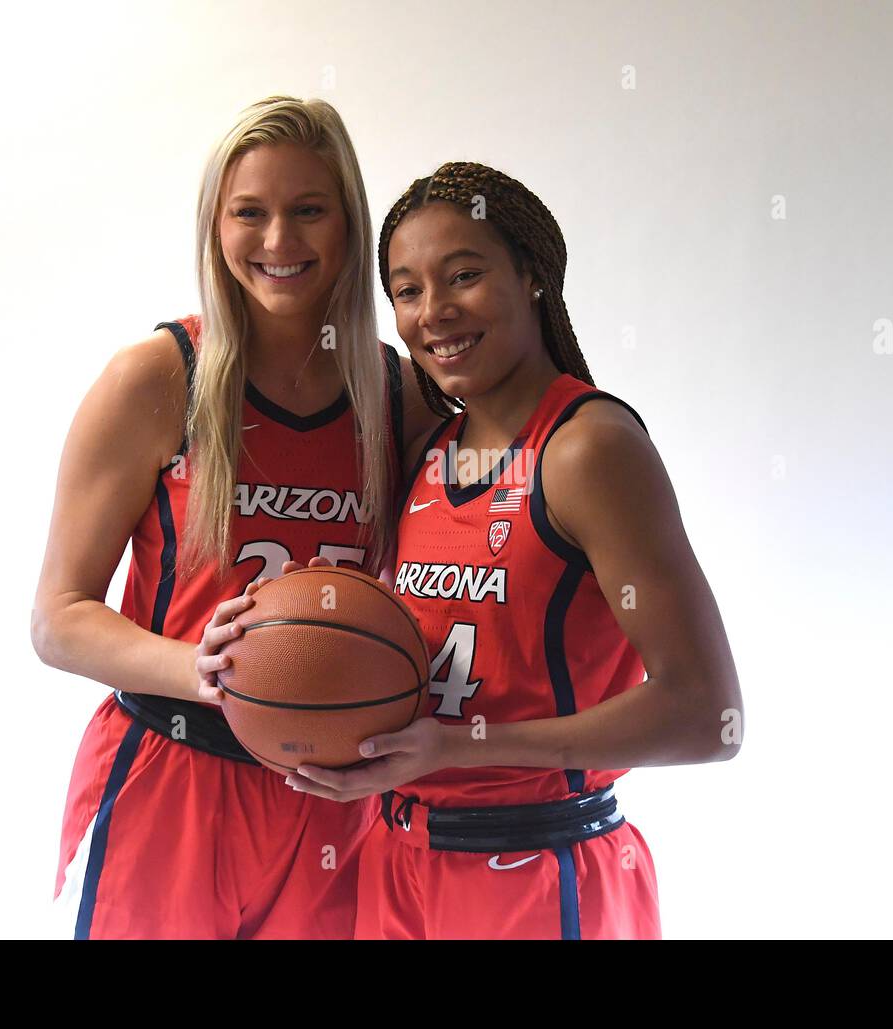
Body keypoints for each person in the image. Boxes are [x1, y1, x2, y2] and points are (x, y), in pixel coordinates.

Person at [279, 162, 744, 940]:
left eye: (463, 275)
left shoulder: (588, 448)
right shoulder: (428, 450)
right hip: (395, 863)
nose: (435, 312)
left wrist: (456, 750)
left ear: (531, 274)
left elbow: (708, 713)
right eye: (406, 290)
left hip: (538, 869)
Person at [30, 97, 440, 939]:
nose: (280, 242)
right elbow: (57, 620)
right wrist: (198, 669)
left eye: (309, 210)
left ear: (350, 221)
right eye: (250, 212)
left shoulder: (400, 397)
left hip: (332, 795)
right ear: (215, 226)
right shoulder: (155, 379)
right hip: (170, 778)